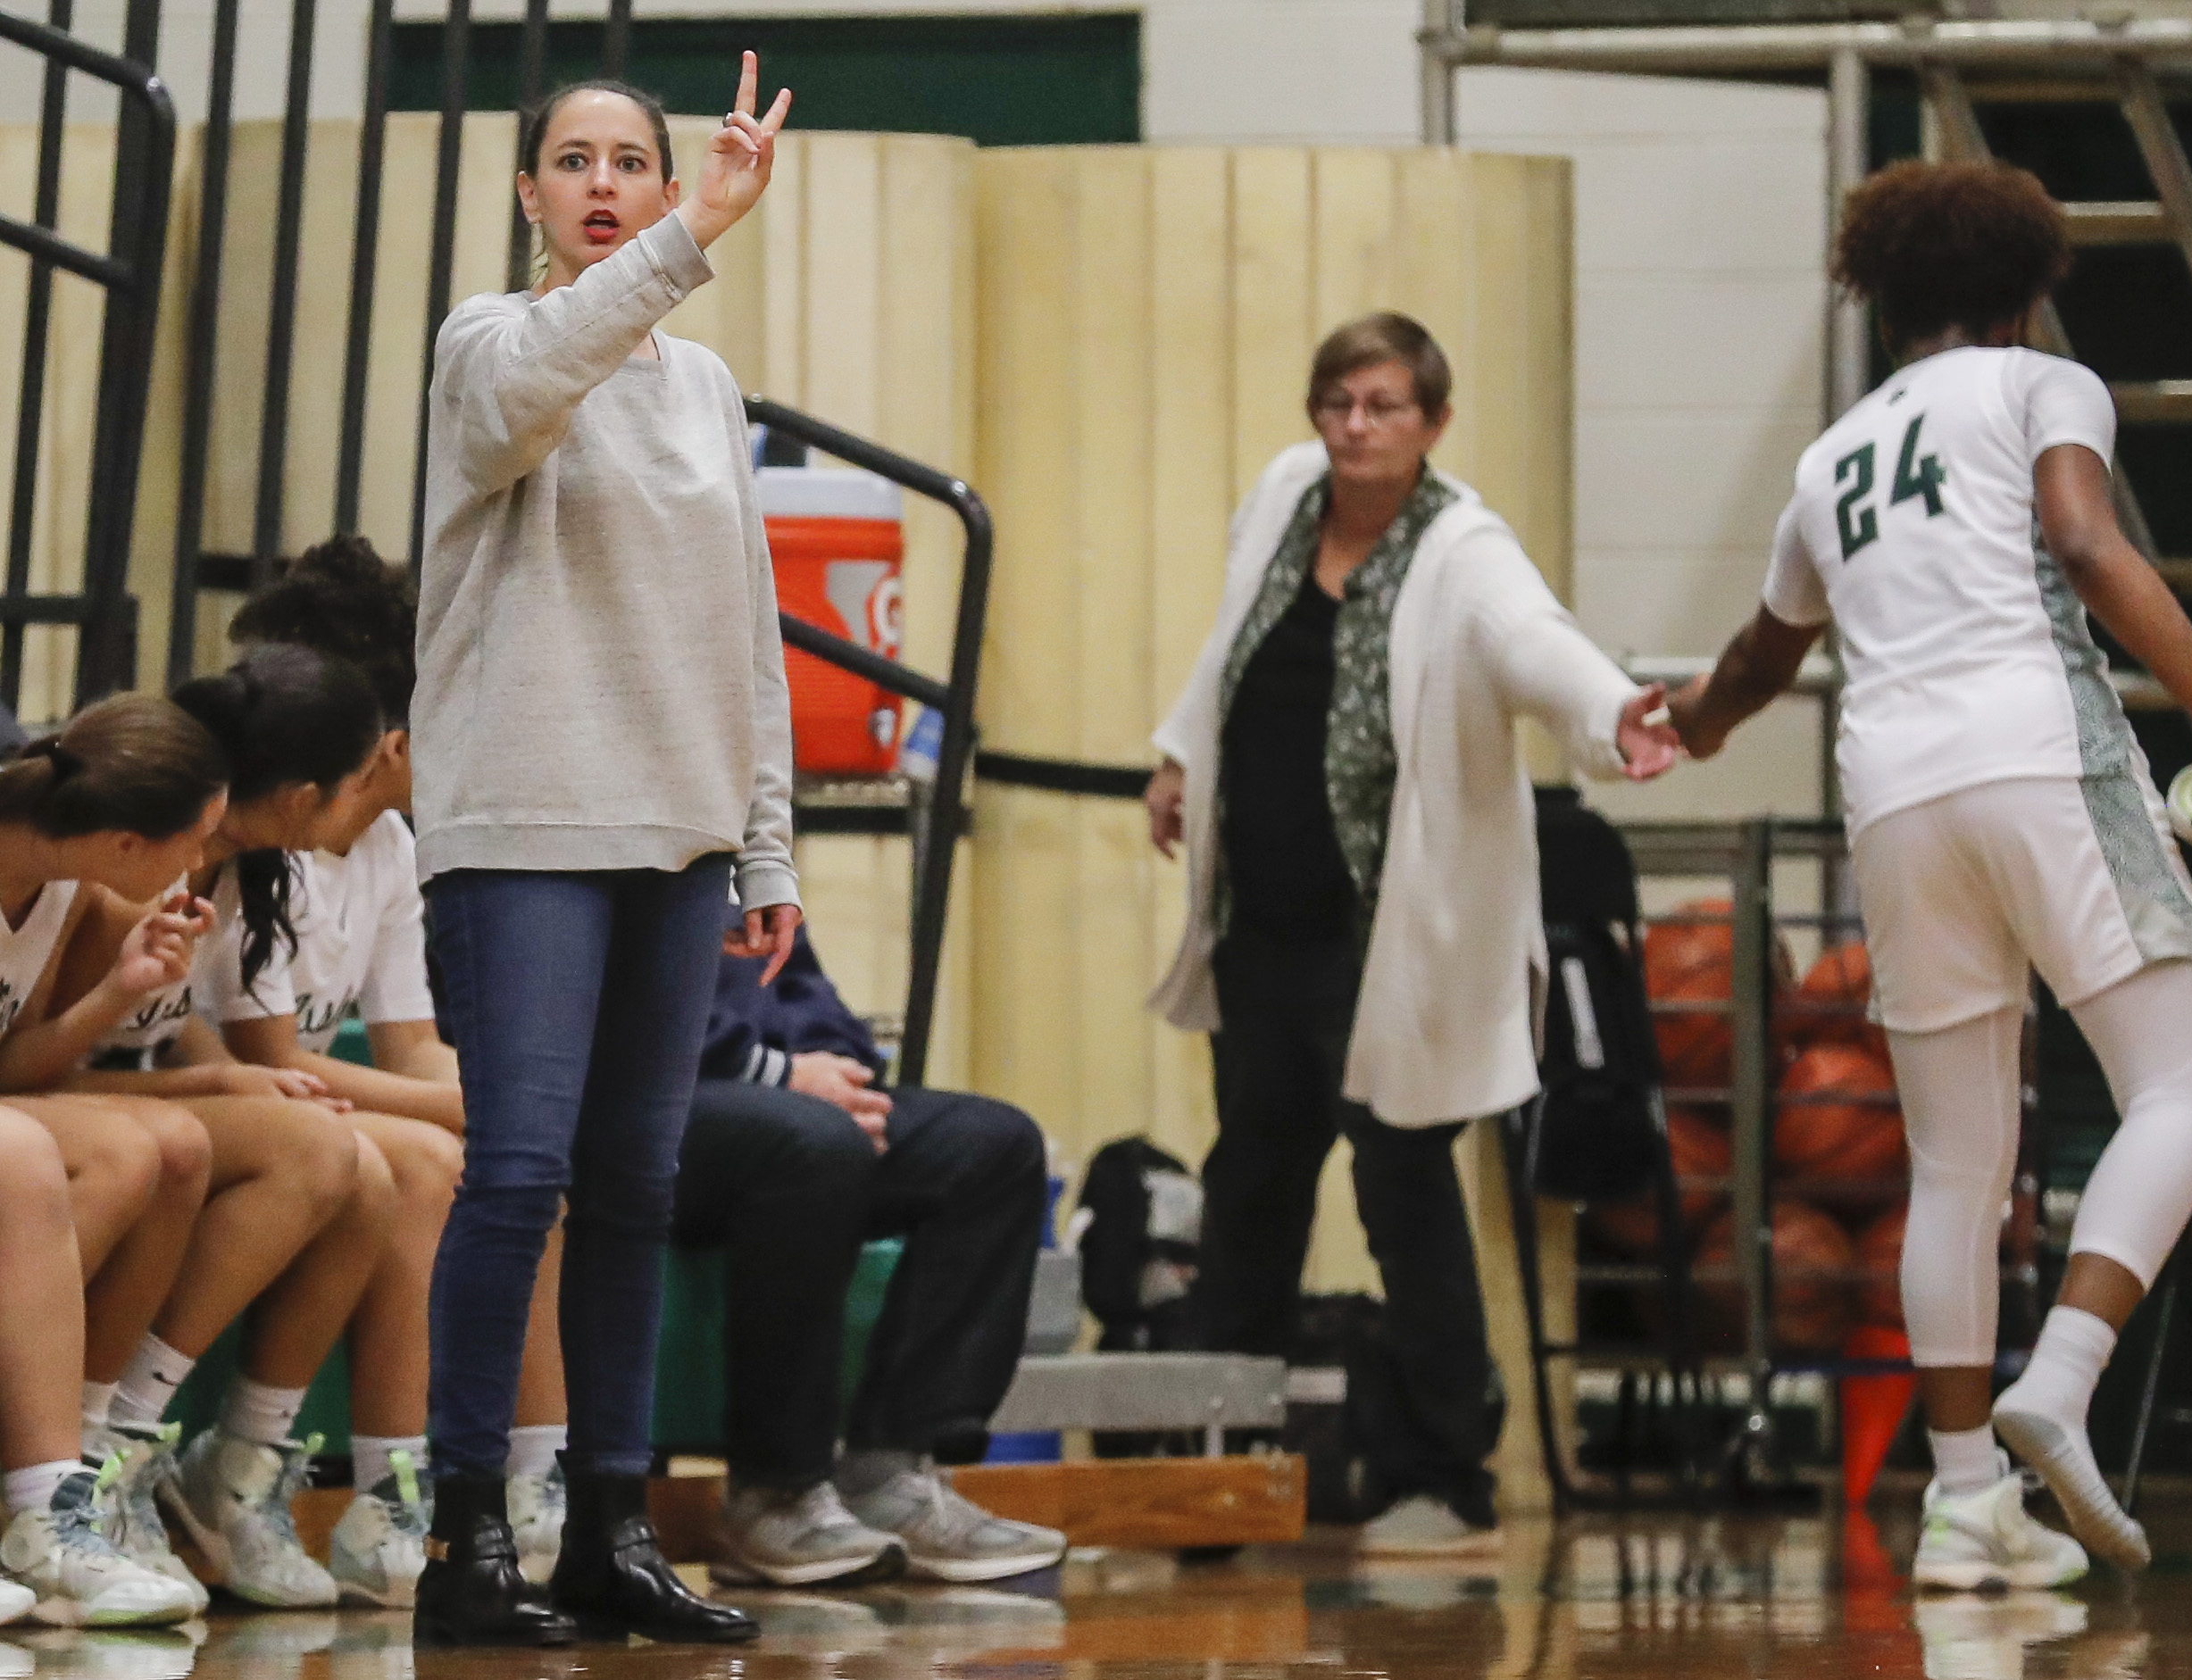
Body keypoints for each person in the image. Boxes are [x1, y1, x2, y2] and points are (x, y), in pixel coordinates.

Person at [1661, 159, 2192, 1590]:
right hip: (2037, 755)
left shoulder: (1826, 458)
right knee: (2190, 1089)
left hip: (1893, 802)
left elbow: (1760, 660)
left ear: (1881, 297)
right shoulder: (2041, 386)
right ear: (2027, 291)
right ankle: (2063, 1378)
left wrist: (1685, 725)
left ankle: (1964, 1506)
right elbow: (2083, 542)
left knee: (1956, 1165)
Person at [1146, 312, 1680, 1553]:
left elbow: (1539, 650)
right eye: (1337, 400)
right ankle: (1228, 1469)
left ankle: (1451, 1469)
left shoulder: (1463, 551)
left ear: (1433, 422)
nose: (1354, 425)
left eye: (1384, 404)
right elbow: (1234, 639)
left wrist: (1616, 718)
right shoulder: (1286, 494)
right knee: (1250, 1190)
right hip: (1261, 928)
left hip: (1385, 942)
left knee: (1403, 1192)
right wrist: (1179, 751)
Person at [411, 55, 796, 1648]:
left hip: (676, 823)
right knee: (519, 1175)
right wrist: (696, 228)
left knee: (635, 1184)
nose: (601, 183)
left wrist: (763, 843)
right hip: (525, 821)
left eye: (629, 161)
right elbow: (528, 401)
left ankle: (611, 1529)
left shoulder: (702, 388)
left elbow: (745, 629)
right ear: (529, 197)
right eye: (569, 161)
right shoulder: (488, 342)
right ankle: (462, 1536)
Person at [202, 538, 569, 1608]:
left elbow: (410, 1043)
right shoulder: (262, 848)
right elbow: (261, 1059)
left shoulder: (389, 845)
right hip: (252, 1100)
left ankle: (538, 1475)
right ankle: (389, 1490)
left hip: (302, 1099)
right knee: (429, 1156)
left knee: (514, 1150)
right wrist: (476, 1102)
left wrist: (500, 1099)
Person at [29, 649, 406, 1611]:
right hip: (78, 1098)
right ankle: (86, 1455)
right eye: (361, 776)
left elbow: (165, 1025)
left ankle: (205, 1461)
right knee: (201, 1146)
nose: (378, 795)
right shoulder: (115, 866)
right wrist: (217, 1078)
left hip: (114, 1092)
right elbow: (65, 1055)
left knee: (351, 1165)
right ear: (295, 795)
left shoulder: (241, 868)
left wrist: (230, 1074)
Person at [682, 911, 1065, 1587]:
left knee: (994, 1146)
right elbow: (618, 1015)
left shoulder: (744, 848)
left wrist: (848, 1079)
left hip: (777, 1091)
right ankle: (774, 1491)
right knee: (811, 1144)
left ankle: (888, 1472)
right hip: (653, 1103)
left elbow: (800, 988)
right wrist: (777, 1075)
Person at [0, 704, 228, 1627]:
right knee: (19, 1152)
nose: (197, 870)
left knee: (166, 1147)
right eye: (196, 844)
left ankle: (58, 1505)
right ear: (133, 843)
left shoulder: (56, 882)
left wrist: (120, 990)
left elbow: (12, 1067)